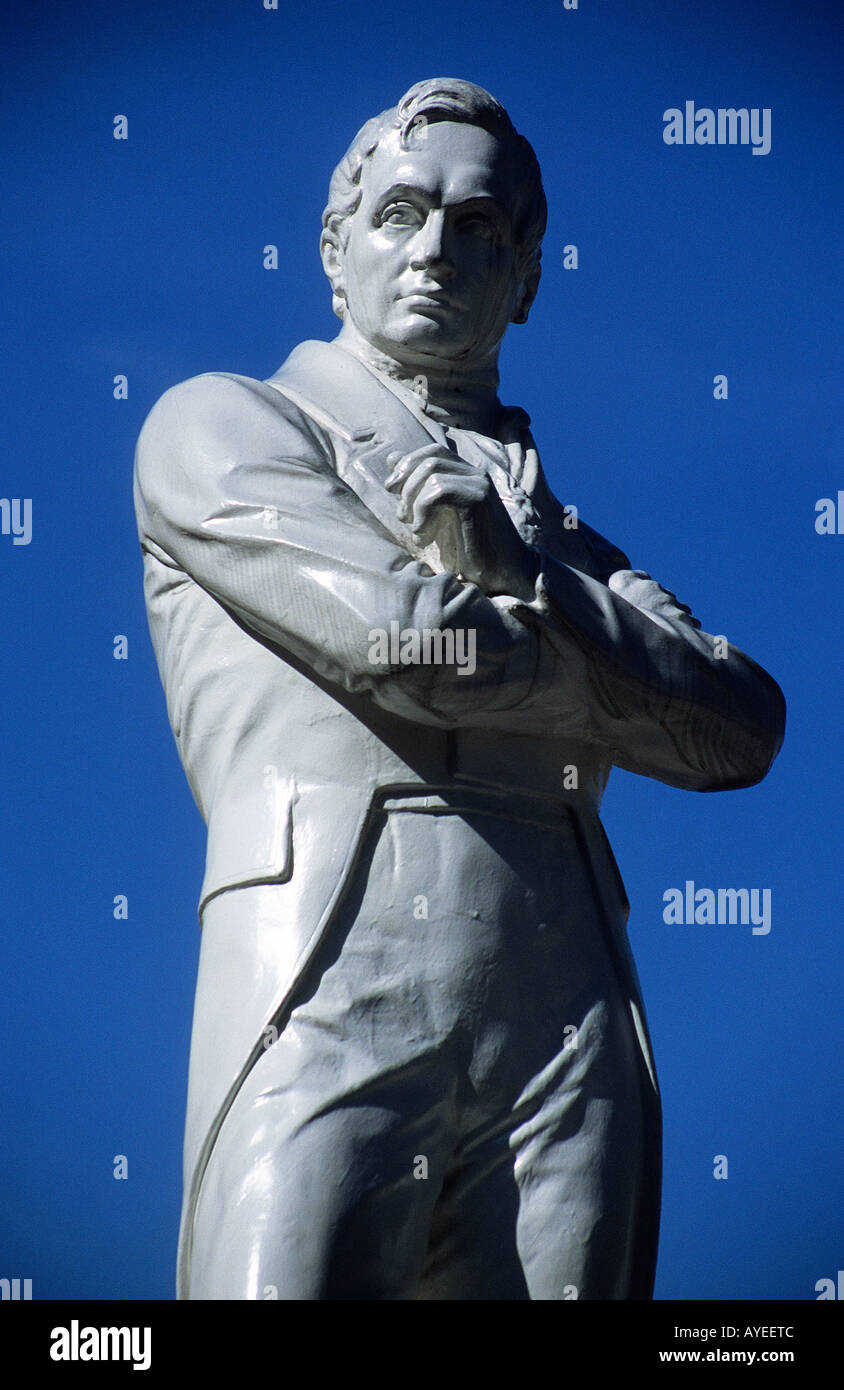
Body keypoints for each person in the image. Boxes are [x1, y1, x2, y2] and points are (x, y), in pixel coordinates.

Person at [133, 78, 785, 1300]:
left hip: (568, 999)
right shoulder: (221, 424)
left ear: (527, 274)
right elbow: (402, 645)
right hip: (325, 961)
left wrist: (525, 577)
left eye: (479, 227)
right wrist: (594, 673)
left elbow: (739, 726)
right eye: (399, 213)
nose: (436, 249)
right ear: (336, 250)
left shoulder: (572, 550)